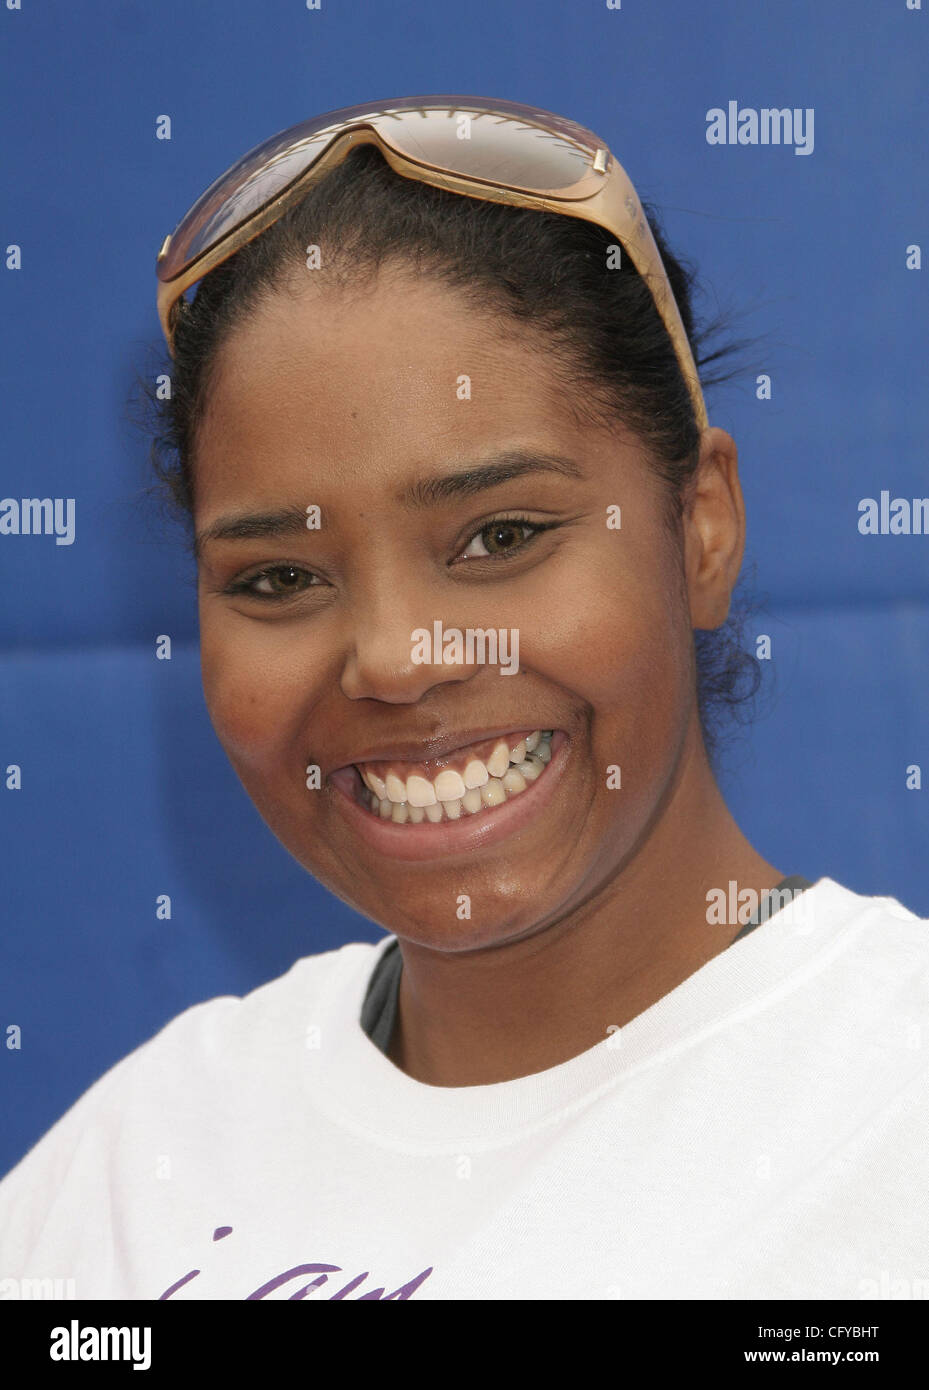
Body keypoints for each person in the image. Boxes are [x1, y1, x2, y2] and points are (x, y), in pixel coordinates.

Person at [0, 96, 925, 1302]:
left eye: (498, 534)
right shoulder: (131, 1167)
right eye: (279, 577)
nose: (393, 657)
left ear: (700, 529)